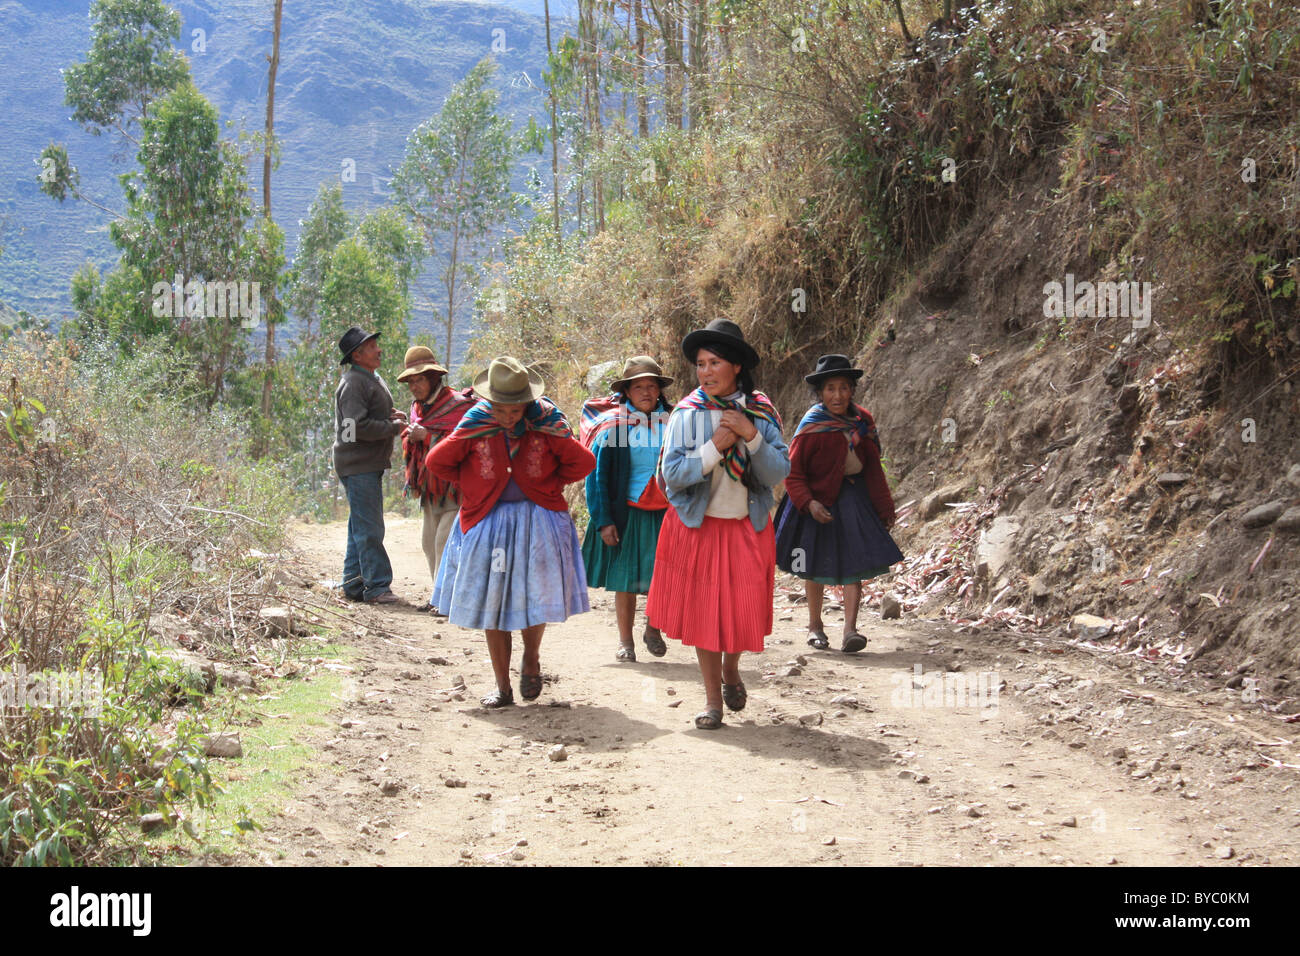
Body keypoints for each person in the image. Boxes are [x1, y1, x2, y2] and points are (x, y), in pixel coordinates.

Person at [426, 356, 595, 708]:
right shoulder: (475, 422)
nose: (507, 418)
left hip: (539, 521)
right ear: (490, 401)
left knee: (536, 595)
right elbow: (438, 461)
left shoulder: (546, 421)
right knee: (493, 602)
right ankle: (502, 687)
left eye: (515, 411)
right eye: (501, 410)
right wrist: (475, 486)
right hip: (488, 522)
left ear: (526, 403)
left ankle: (530, 659)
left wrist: (549, 484)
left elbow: (582, 462)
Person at [645, 319, 790, 730]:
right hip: (699, 526)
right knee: (706, 616)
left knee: (740, 612)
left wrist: (751, 436)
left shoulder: (760, 413)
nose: (706, 372)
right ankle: (712, 701)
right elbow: (671, 474)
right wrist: (716, 446)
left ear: (737, 367)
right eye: (701, 364)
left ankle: (731, 669)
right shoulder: (687, 415)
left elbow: (778, 471)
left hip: (747, 525)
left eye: (715, 363)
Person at [774, 354, 903, 652]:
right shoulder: (811, 426)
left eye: (844, 388)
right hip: (815, 501)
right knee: (813, 565)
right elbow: (792, 473)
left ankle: (850, 631)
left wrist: (884, 508)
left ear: (852, 390)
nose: (837, 395)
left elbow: (873, 467)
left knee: (854, 564)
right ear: (820, 393)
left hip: (853, 499)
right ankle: (815, 626)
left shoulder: (863, 421)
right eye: (830, 388)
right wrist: (808, 503)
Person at [580, 356, 674, 662]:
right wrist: (603, 520)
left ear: (660, 391)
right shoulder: (616, 427)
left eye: (651, 386)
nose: (646, 392)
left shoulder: (674, 423)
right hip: (629, 512)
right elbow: (597, 477)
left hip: (665, 511)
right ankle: (625, 642)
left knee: (663, 576)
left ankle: (653, 628)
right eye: (638, 387)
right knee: (627, 580)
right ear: (627, 393)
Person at [396, 345, 475, 614]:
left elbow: (463, 443)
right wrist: (409, 430)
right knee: (428, 543)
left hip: (456, 487)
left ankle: (446, 601)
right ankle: (438, 597)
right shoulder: (417, 409)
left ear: (433, 378)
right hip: (430, 489)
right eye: (411, 381)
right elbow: (414, 438)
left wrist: (427, 437)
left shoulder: (459, 405)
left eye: (419, 379)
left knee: (444, 541)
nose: (414, 386)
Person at [333, 326, 408, 605]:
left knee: (360, 526)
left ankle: (354, 584)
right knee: (371, 528)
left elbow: (370, 414)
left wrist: (391, 416)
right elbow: (352, 429)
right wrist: (392, 427)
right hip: (358, 465)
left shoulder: (370, 378)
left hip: (365, 464)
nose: (379, 349)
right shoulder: (354, 383)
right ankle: (377, 586)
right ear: (358, 354)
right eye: (373, 346)